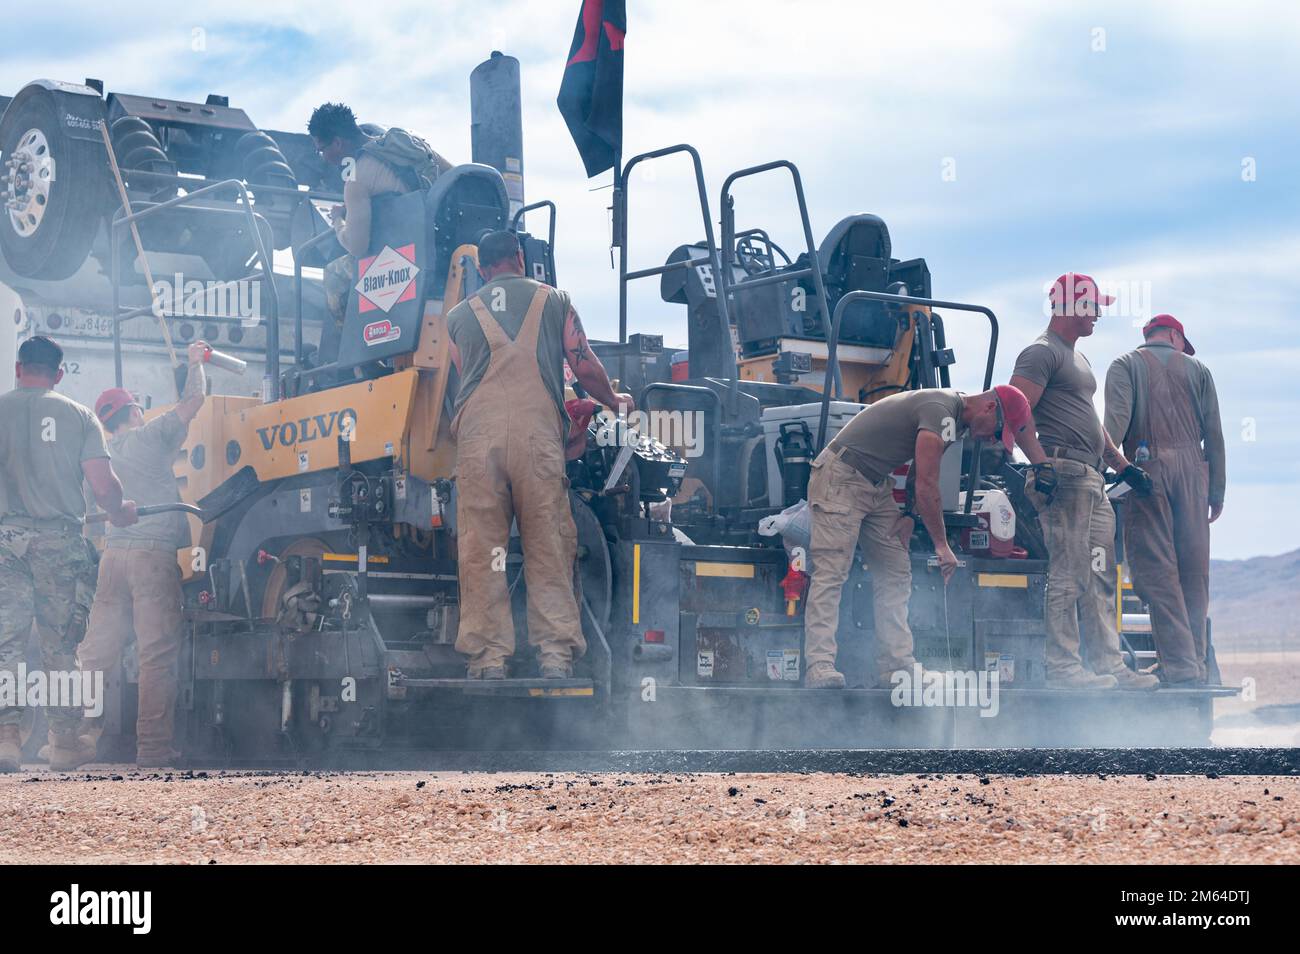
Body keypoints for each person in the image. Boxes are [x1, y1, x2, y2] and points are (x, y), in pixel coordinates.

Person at [446, 230, 632, 679]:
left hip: (479, 445)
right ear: (519, 260)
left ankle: (489, 658)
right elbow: (582, 362)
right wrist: (612, 400)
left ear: (482, 269)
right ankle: (554, 655)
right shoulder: (555, 300)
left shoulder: (456, 317)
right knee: (547, 545)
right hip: (536, 443)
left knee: (483, 549)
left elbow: (466, 374)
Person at [803, 384, 1032, 689]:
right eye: (998, 431)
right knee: (831, 573)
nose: (992, 439)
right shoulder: (941, 409)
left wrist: (909, 514)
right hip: (841, 476)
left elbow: (918, 471)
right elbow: (927, 484)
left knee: (896, 572)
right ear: (990, 408)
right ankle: (819, 666)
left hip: (876, 484)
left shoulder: (955, 421)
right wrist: (941, 545)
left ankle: (897, 668)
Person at [1010, 273, 1158, 690]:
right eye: (1093, 306)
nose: (1098, 314)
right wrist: (1041, 467)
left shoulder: (1077, 359)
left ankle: (1109, 667)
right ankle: (1063, 670)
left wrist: (1122, 465)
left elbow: (1091, 423)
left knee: (1099, 575)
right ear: (1071, 305)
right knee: (1069, 572)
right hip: (1065, 475)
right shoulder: (1040, 353)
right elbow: (1016, 414)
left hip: (1090, 479)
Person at [66, 342, 210, 769]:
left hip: (113, 558)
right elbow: (193, 401)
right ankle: (152, 748)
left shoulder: (101, 453)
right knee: (156, 652)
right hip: (151, 557)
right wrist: (195, 363)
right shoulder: (151, 436)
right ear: (133, 412)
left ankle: (68, 736)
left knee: (95, 653)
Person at [0, 336, 137, 773]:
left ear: (19, 369)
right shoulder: (79, 417)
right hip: (59, 545)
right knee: (60, 645)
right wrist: (120, 512)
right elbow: (102, 487)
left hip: (5, 542)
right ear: (59, 375)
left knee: (7, 644)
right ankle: (63, 741)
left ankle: (6, 738)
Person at [1104, 314, 1225, 687]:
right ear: (1175, 335)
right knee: (1194, 574)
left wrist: (1104, 471)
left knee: (1158, 573)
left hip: (1146, 474)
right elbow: (1215, 436)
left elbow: (1113, 428)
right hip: (1195, 474)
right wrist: (1216, 491)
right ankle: (1196, 668)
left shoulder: (1125, 365)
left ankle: (1180, 667)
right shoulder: (1200, 371)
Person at [308, 103, 452, 366]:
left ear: (337, 144)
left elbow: (357, 246)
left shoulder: (356, 177)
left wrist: (339, 220)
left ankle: (355, 361)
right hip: (444, 245)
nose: (322, 156)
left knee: (335, 274)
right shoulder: (409, 143)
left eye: (321, 149)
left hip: (403, 260)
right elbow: (454, 176)